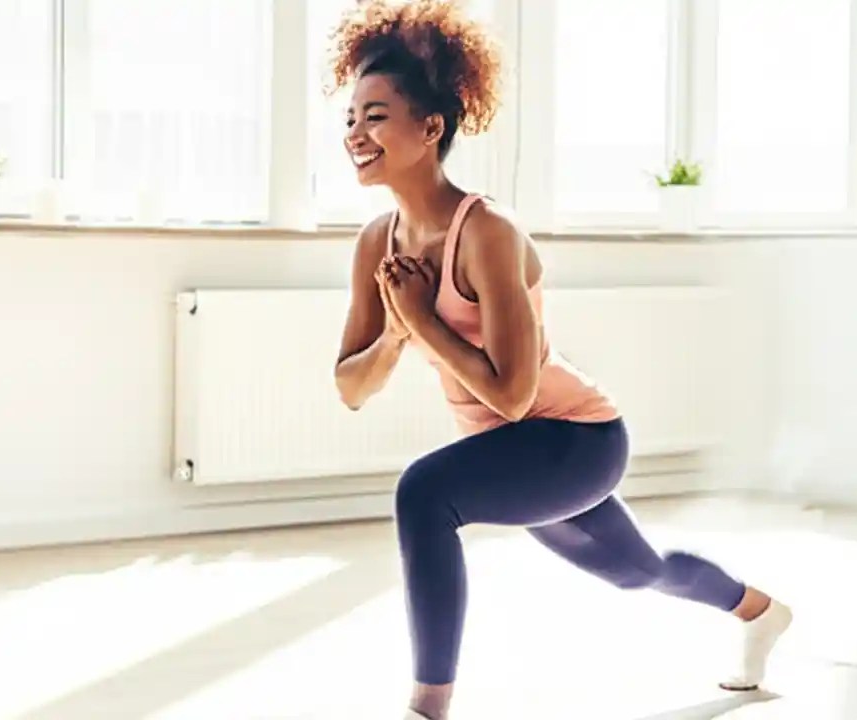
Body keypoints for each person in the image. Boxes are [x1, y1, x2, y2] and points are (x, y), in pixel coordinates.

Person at [329, 2, 791, 718]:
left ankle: (427, 708)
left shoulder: (488, 231)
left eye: (376, 116)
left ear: (430, 128)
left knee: (423, 492)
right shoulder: (376, 244)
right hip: (507, 448)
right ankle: (760, 613)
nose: (356, 134)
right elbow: (350, 388)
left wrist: (421, 319)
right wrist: (395, 333)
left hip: (575, 439)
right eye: (351, 118)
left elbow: (514, 395)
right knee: (638, 571)